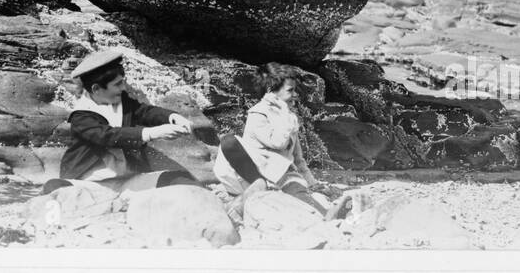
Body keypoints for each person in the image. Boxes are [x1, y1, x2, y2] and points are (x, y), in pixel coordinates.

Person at [45, 49, 198, 194]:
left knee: (180, 180)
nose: (123, 87)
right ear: (96, 89)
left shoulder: (121, 100)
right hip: (90, 184)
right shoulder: (81, 117)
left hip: (128, 182)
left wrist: (172, 117)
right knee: (55, 188)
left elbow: (144, 111)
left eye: (122, 82)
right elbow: (107, 136)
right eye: (117, 84)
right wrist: (152, 133)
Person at [214, 62, 327, 215]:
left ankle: (326, 214)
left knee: (298, 189)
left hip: (281, 174)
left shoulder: (289, 117)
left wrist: (313, 182)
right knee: (229, 141)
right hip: (255, 173)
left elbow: (298, 158)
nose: (295, 95)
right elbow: (278, 142)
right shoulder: (258, 114)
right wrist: (284, 113)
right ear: (271, 92)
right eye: (290, 90)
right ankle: (261, 187)